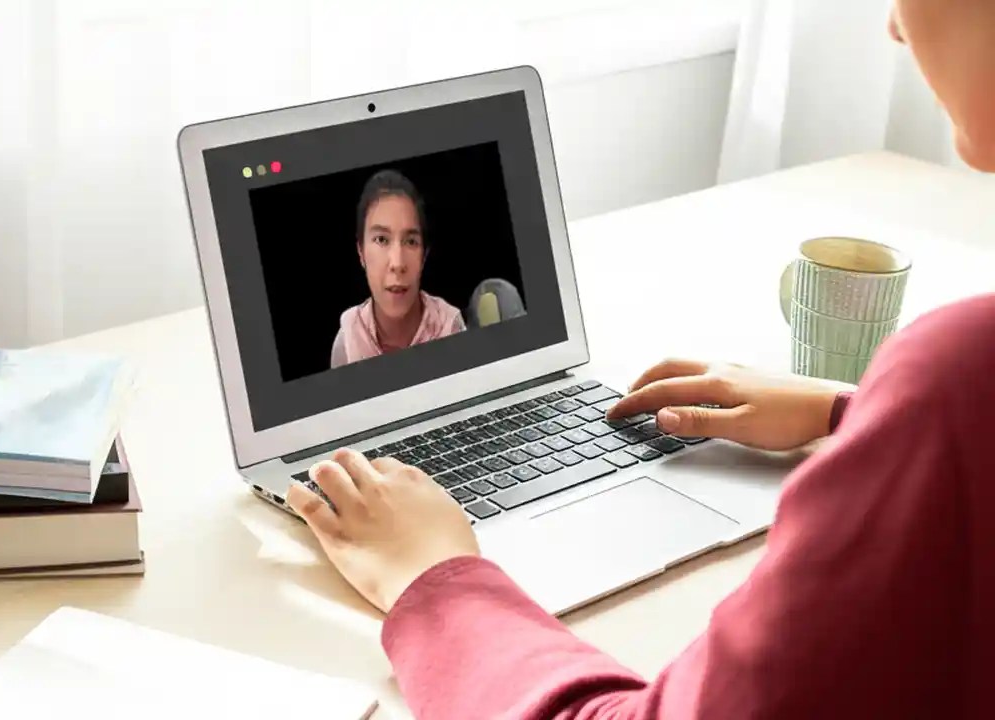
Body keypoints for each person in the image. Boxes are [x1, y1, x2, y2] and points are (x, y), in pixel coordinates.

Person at [287, 1, 995, 717]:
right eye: (379, 241)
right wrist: (853, 413)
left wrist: (435, 578)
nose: (895, 27)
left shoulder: (961, 374)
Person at [331, 170, 465, 368]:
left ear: (424, 256)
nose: (397, 263)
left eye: (411, 242)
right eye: (381, 240)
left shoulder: (449, 327)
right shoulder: (349, 340)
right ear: (361, 252)